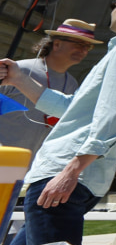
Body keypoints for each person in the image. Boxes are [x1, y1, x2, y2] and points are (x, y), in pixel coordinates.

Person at [0, 0, 116, 245]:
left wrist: (72, 169)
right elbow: (73, 108)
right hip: (68, 175)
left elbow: (115, 113)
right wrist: (18, 79)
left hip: (63, 174)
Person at [0, 19, 98, 155]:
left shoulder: (72, 84)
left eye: (88, 46)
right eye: (80, 44)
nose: (84, 50)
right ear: (57, 44)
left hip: (29, 168)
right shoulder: (19, 69)